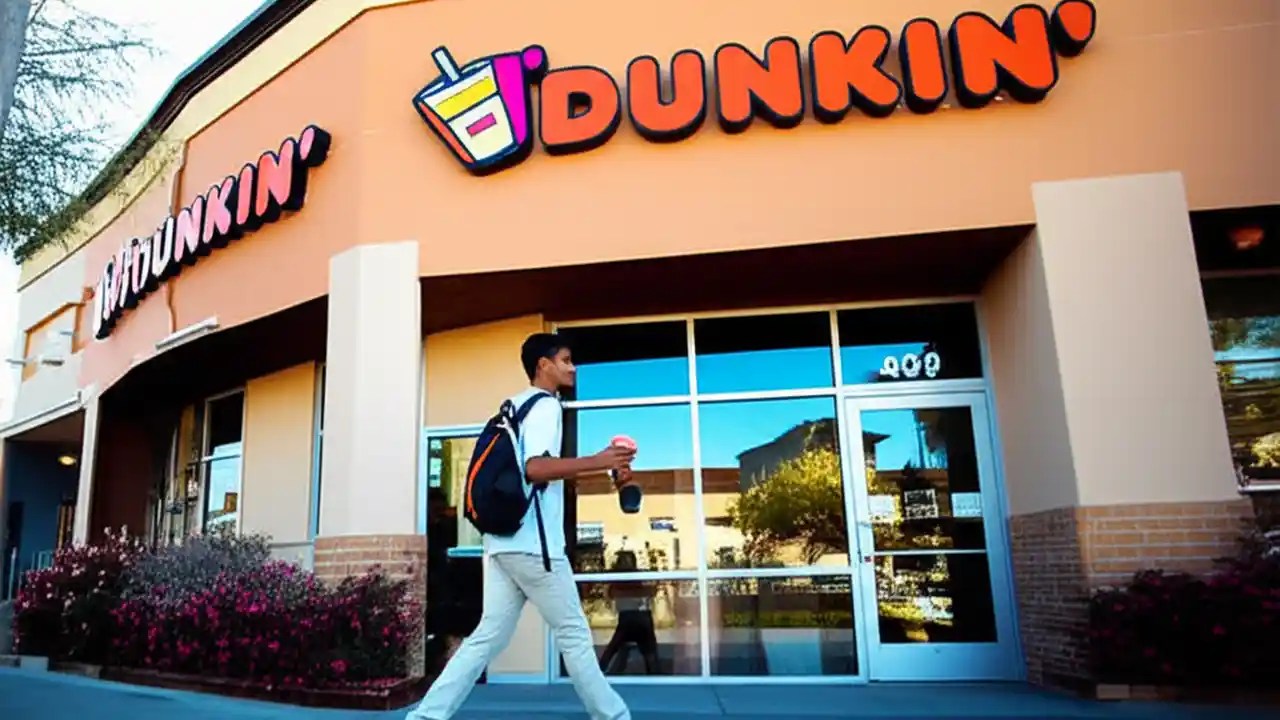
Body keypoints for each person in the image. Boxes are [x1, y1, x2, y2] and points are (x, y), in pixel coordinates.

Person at [406, 333, 637, 720]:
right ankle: (614, 717)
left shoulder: (513, 406)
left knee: (486, 637)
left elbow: (541, 477)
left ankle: (427, 716)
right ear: (543, 365)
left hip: (501, 545)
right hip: (535, 548)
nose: (573, 367)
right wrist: (598, 459)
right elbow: (534, 469)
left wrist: (603, 468)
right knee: (574, 636)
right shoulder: (546, 406)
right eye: (565, 360)